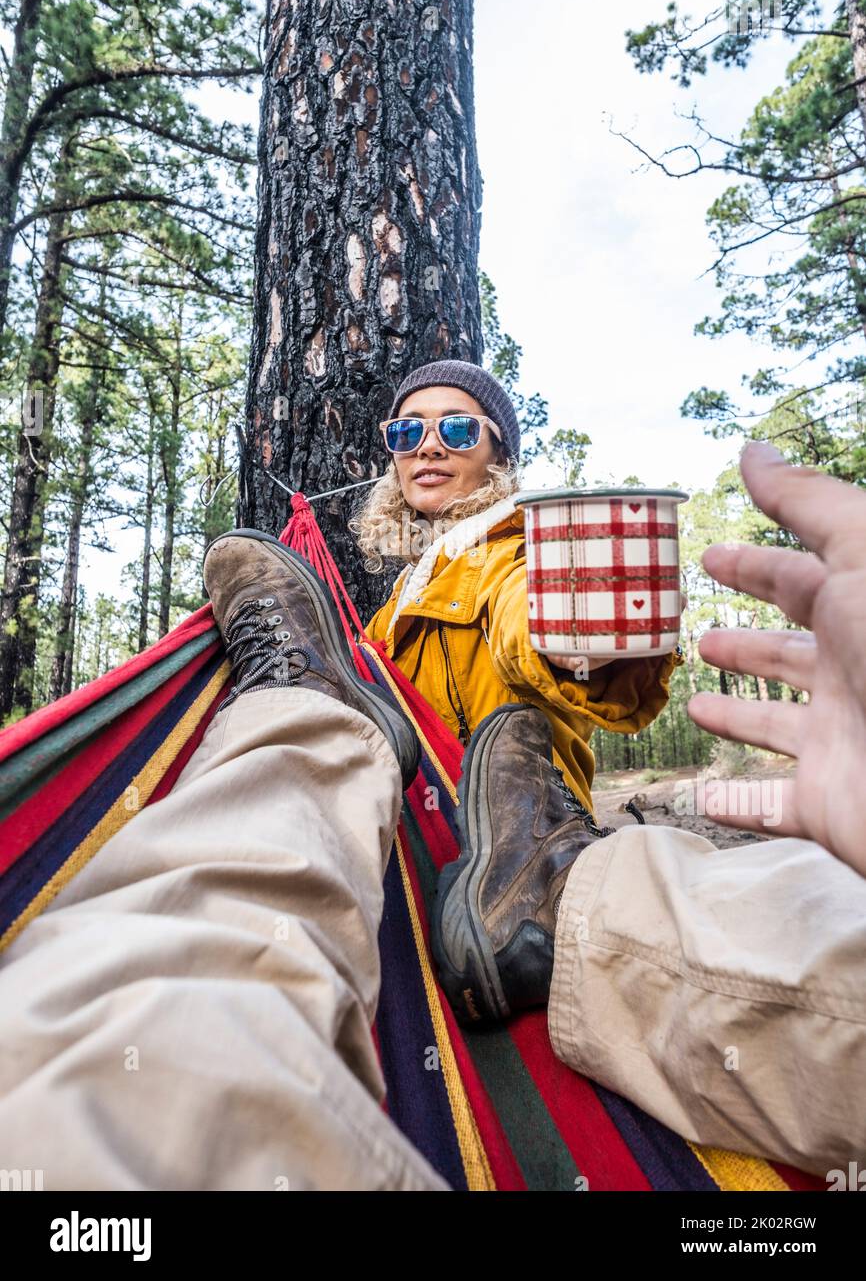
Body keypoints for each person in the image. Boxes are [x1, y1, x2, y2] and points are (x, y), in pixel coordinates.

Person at [0, 362, 862, 1189]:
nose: (427, 446)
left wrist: (584, 639)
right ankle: (532, 888)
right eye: (406, 430)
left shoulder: (509, 544)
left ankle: (309, 730)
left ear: (498, 452)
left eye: (457, 427)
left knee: (264, 816)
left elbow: (541, 633)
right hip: (417, 843)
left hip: (467, 812)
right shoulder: (400, 596)